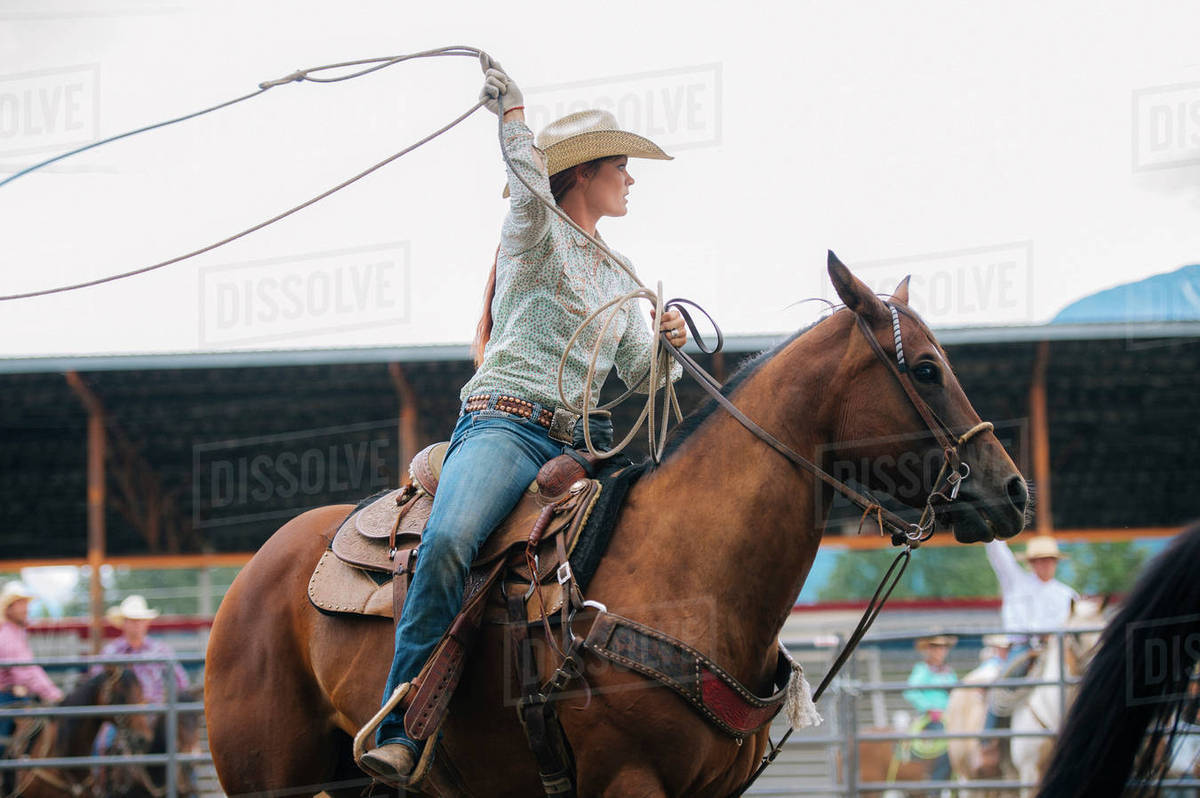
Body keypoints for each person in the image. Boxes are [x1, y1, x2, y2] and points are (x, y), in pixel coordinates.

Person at [359, 57, 687, 784]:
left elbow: (637, 374)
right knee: (448, 541)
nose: (631, 180)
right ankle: (403, 724)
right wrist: (514, 116)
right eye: (621, 167)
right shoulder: (535, 230)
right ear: (583, 174)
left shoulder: (622, 269)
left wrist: (665, 345)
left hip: (578, 447)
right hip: (504, 427)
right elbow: (528, 179)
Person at [979, 535, 1078, 761]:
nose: (1044, 564)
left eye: (1049, 560)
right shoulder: (1016, 582)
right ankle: (988, 743)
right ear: (1031, 563)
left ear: (1055, 563)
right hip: (1023, 649)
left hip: (1056, 650)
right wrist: (990, 531)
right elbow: (998, 555)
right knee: (1008, 680)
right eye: (1039, 560)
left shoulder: (1068, 595)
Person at [0, 582, 62, 755]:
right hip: (7, 697)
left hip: (14, 695)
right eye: (20, 604)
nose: (26, 608)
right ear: (9, 609)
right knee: (4, 742)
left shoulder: (14, 634)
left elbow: (30, 670)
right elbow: (25, 674)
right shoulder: (9, 637)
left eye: (26, 603)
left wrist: (50, 691)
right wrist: (54, 695)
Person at [903, 634, 957, 783]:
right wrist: (929, 708)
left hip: (950, 717)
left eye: (943, 647)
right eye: (936, 647)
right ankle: (936, 783)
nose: (940, 651)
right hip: (932, 719)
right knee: (946, 746)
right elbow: (911, 691)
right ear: (929, 649)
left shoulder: (948, 671)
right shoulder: (922, 669)